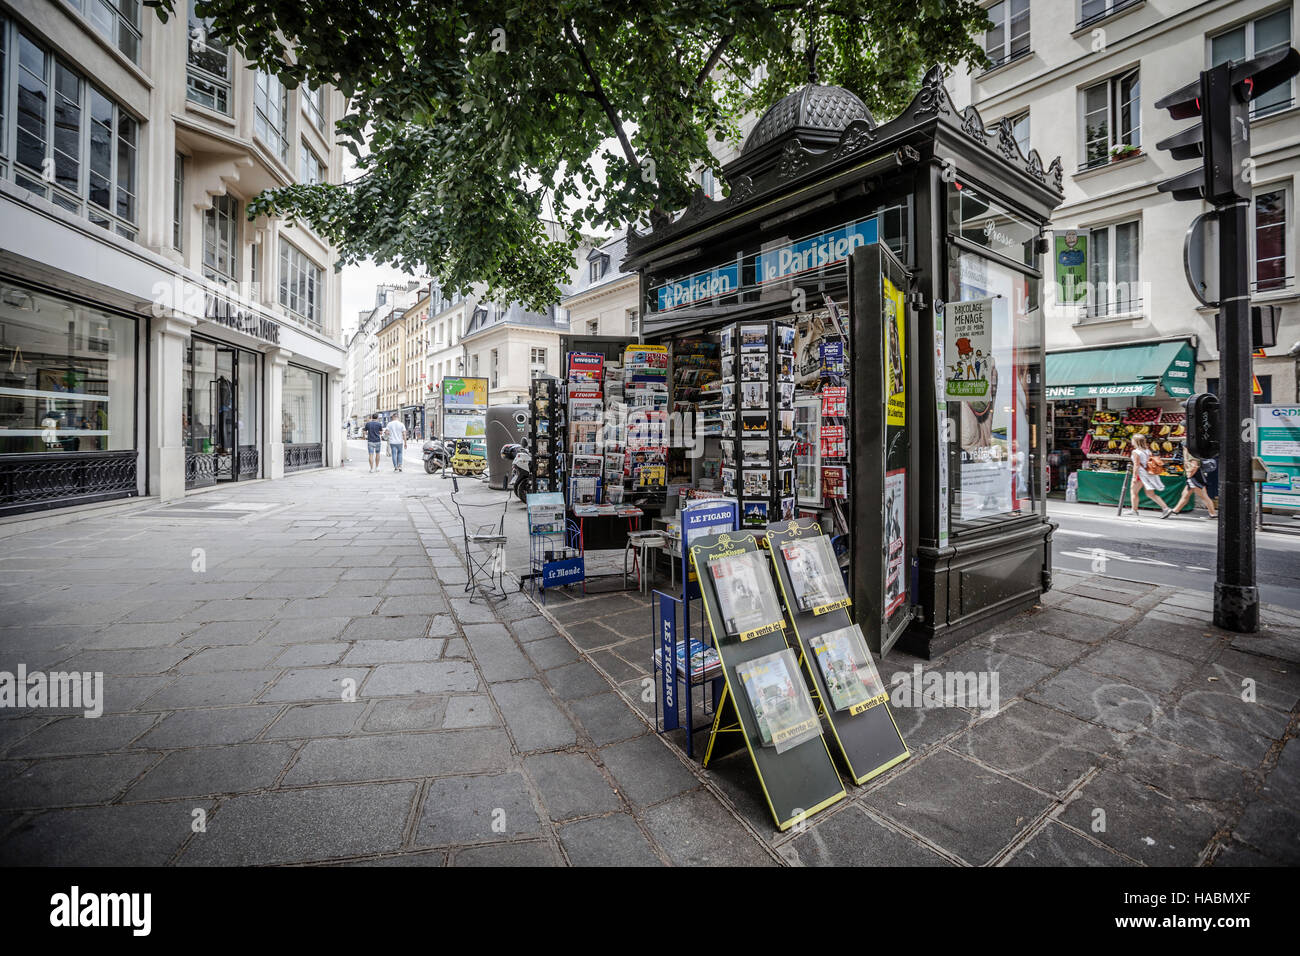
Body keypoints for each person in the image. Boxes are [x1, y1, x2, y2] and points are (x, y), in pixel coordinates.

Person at [1128, 434, 1173, 519]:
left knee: (1133, 492)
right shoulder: (1147, 451)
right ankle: (1166, 508)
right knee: (1150, 494)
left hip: (1140, 475)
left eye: (1132, 440)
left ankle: (1134, 510)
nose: (1131, 441)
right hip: (1148, 474)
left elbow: (1136, 465)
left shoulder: (1135, 452)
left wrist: (1134, 477)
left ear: (1135, 441)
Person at [1171, 454, 1218, 519]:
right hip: (1194, 477)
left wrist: (1189, 476)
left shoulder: (1192, 453)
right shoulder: (1190, 452)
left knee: (1204, 496)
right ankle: (1175, 510)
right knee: (1185, 495)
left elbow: (1194, 466)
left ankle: (1213, 514)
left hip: (1195, 478)